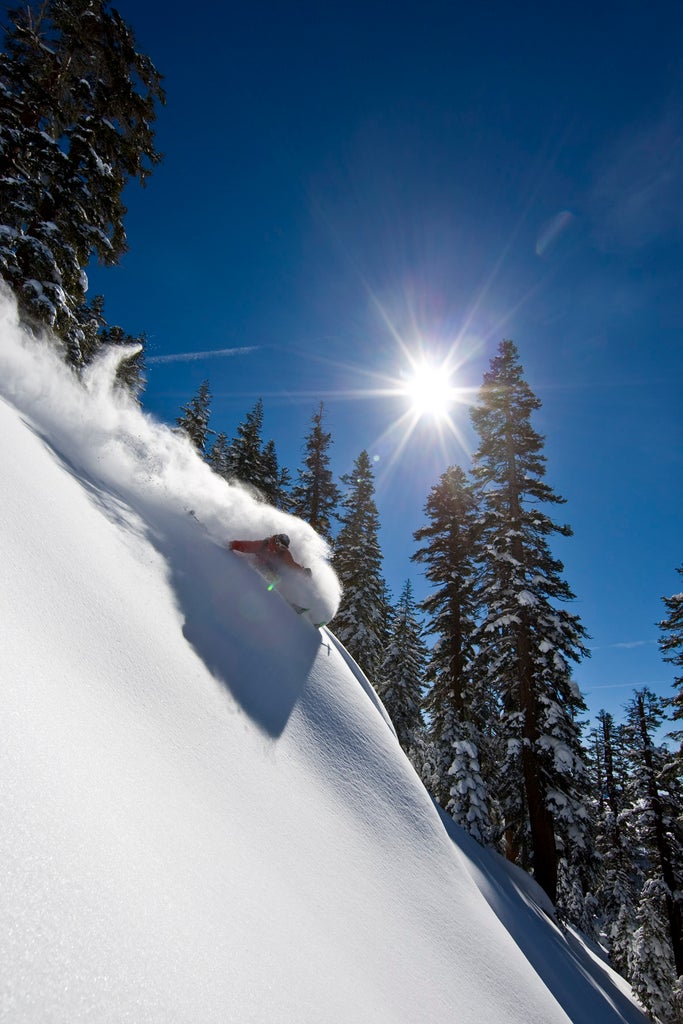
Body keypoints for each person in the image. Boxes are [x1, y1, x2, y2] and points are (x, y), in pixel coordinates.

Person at [229, 533, 312, 576]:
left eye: (283, 547)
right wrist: (233, 545)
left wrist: (303, 571)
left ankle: (278, 596)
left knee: (275, 577)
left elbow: (292, 564)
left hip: (272, 570)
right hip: (257, 565)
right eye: (279, 544)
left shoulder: (284, 553)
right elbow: (247, 545)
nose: (280, 548)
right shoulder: (263, 545)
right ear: (276, 541)